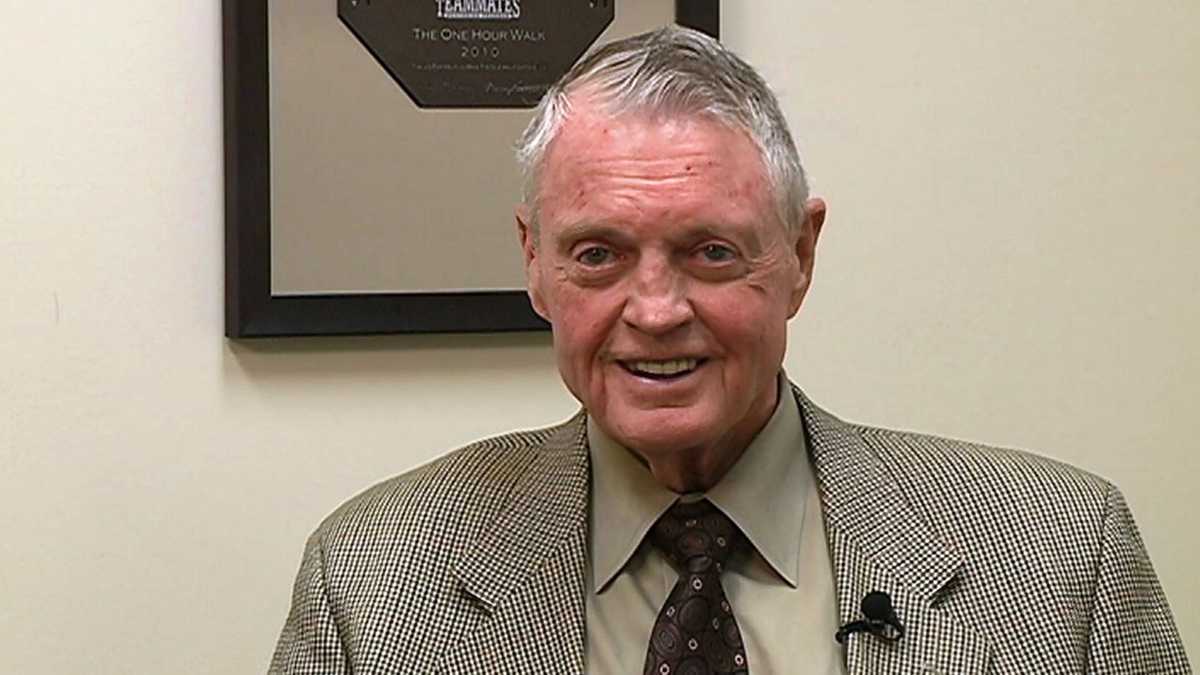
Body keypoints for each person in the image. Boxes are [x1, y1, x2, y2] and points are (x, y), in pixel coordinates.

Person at [268, 26, 1189, 674]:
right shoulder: (376, 578)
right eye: (600, 254)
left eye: (711, 251)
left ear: (799, 255)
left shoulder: (1063, 556)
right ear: (535, 264)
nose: (657, 309)